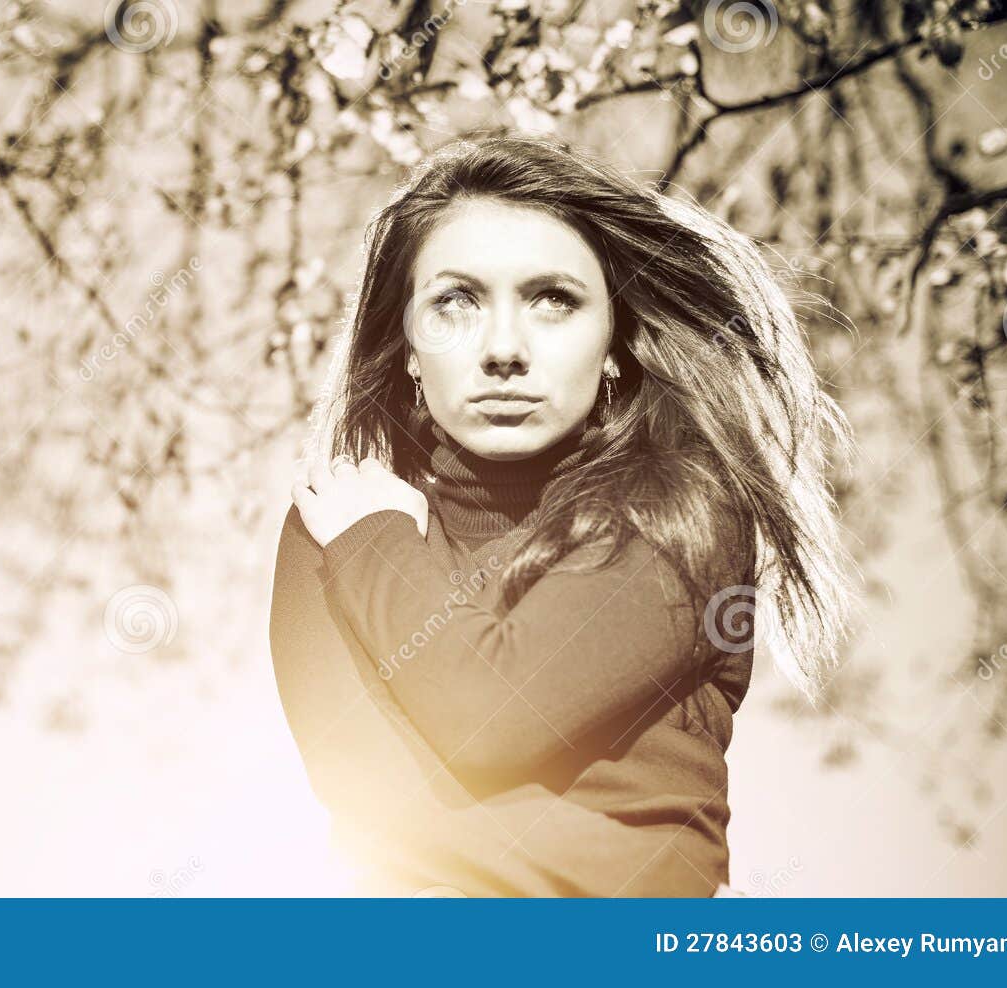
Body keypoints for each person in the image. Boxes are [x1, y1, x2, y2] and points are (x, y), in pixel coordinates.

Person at [268, 135, 856, 897]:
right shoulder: (331, 521)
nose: (504, 348)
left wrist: (376, 551)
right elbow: (368, 796)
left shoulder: (682, 510)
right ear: (408, 344)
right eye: (456, 302)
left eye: (554, 301)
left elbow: (488, 714)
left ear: (613, 344)